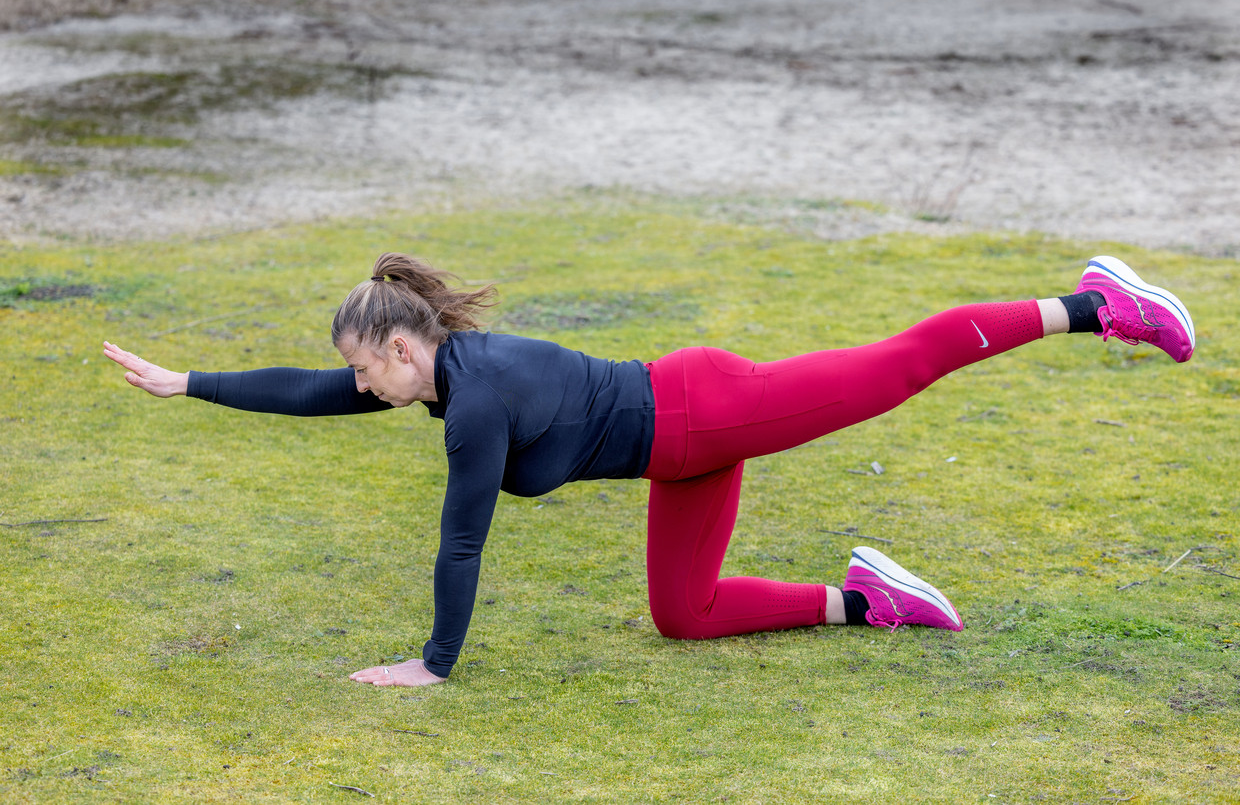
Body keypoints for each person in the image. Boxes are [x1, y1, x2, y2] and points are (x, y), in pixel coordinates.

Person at [103, 253, 1195, 688]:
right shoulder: (436, 374)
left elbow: (462, 537)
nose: (357, 386)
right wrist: (185, 381)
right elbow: (308, 389)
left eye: (363, 369)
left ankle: (1096, 303)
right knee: (685, 613)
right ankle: (867, 598)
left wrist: (433, 664)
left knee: (900, 365)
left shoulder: (471, 405)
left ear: (399, 347)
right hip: (678, 455)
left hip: (707, 408)